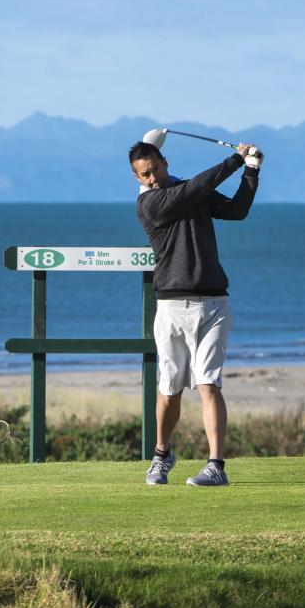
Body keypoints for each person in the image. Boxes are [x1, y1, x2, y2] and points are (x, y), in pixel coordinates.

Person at [130, 139, 260, 486]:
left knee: (208, 384)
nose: (152, 178)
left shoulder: (192, 190)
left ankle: (216, 465)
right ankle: (162, 454)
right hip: (172, 308)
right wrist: (235, 160)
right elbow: (192, 190)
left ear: (165, 162)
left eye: (155, 169)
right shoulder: (149, 204)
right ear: (138, 179)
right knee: (170, 388)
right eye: (145, 175)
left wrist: (251, 171)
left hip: (214, 304)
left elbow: (236, 210)